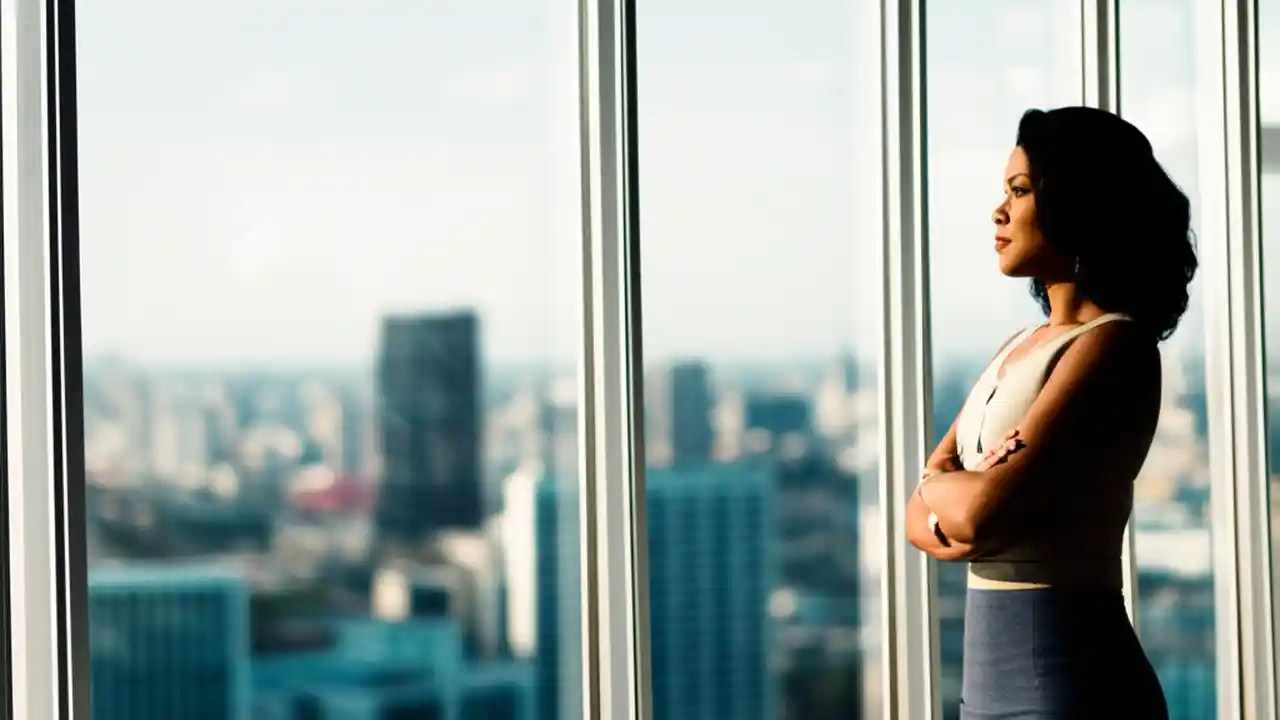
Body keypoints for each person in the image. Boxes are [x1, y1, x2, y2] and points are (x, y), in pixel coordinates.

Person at [907, 106, 1195, 718]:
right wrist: (946, 484)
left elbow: (979, 515)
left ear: (1075, 202)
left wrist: (944, 480)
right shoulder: (1019, 345)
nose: (998, 211)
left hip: (1070, 684)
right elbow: (916, 516)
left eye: (1018, 191)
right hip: (987, 687)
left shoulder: (1113, 344)